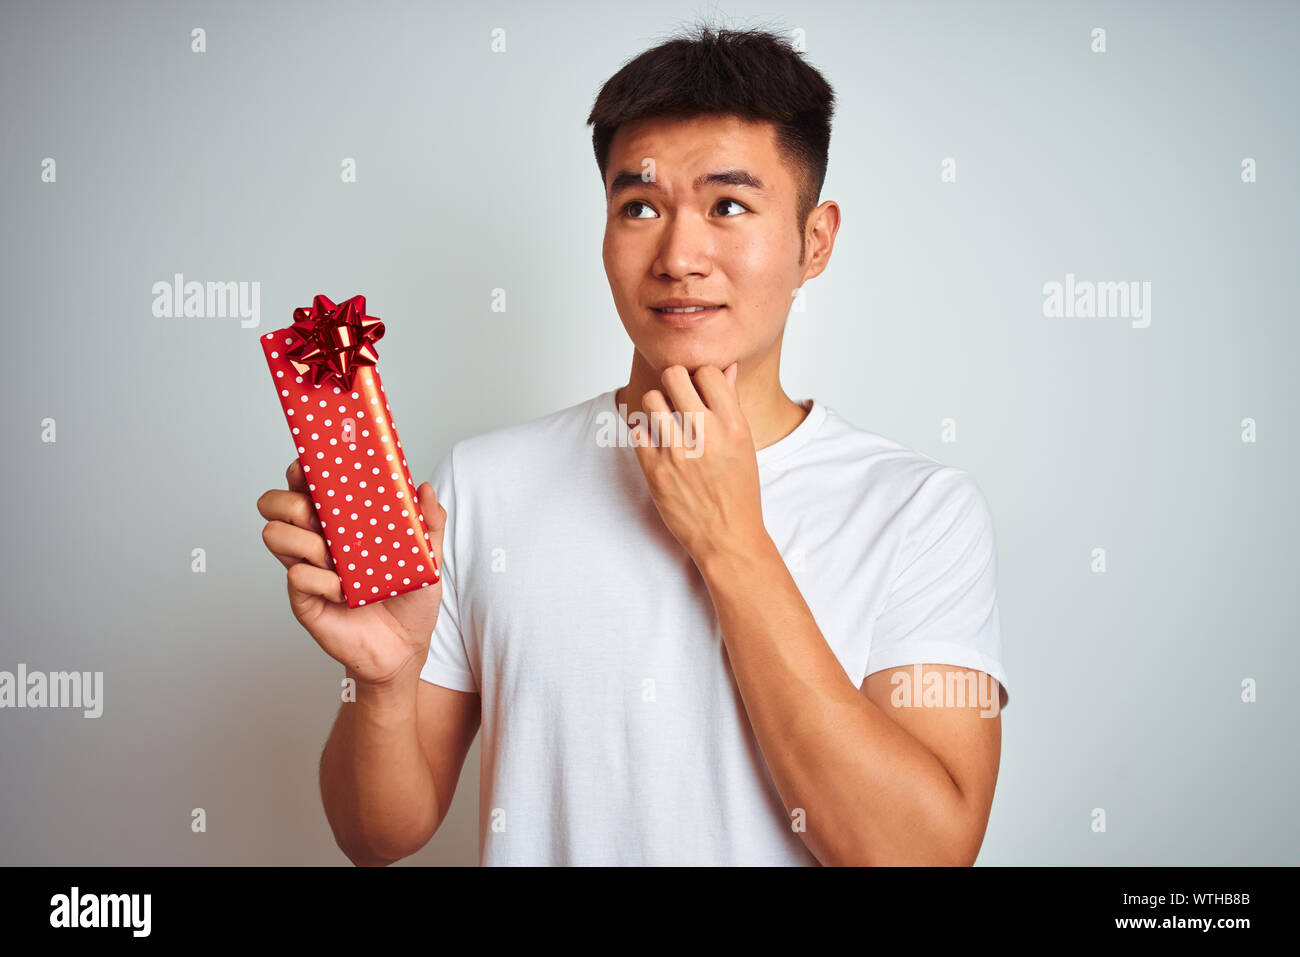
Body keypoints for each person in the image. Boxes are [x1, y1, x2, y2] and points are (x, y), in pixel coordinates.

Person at [257, 24, 1009, 866]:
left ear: (815, 241)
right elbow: (376, 835)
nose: (680, 255)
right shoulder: (482, 485)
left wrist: (732, 540)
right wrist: (387, 684)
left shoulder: (920, 512)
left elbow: (924, 855)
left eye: (729, 205)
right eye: (640, 207)